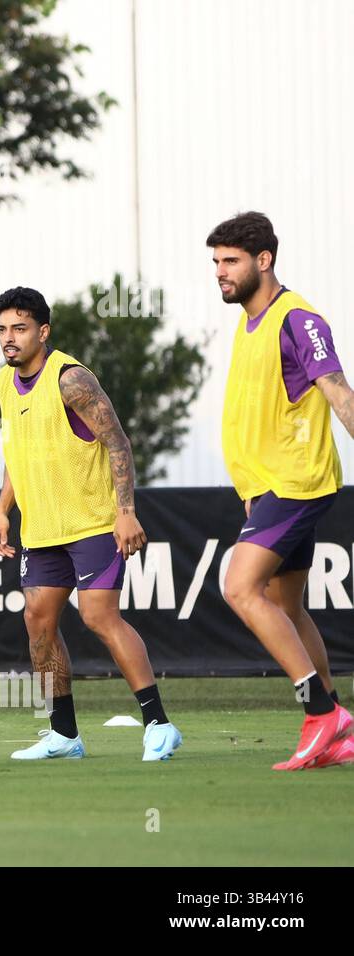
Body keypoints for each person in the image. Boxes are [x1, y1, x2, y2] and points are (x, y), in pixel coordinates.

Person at [0, 286, 181, 761]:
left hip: (93, 523)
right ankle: (64, 735)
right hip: (41, 529)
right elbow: (18, 451)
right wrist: (1, 509)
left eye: (19, 328)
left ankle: (158, 724)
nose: (8, 338)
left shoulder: (71, 379)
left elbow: (118, 443)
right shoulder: (2, 384)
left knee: (98, 616)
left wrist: (126, 512)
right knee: (38, 624)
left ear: (43, 331)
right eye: (1, 329)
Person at [209, 211, 354, 769]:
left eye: (231, 261)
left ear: (263, 260)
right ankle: (339, 728)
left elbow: (337, 391)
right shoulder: (249, 322)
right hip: (268, 487)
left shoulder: (298, 317)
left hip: (296, 482)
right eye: (216, 262)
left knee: (240, 588)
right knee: (287, 606)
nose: (220, 272)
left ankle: (320, 713)